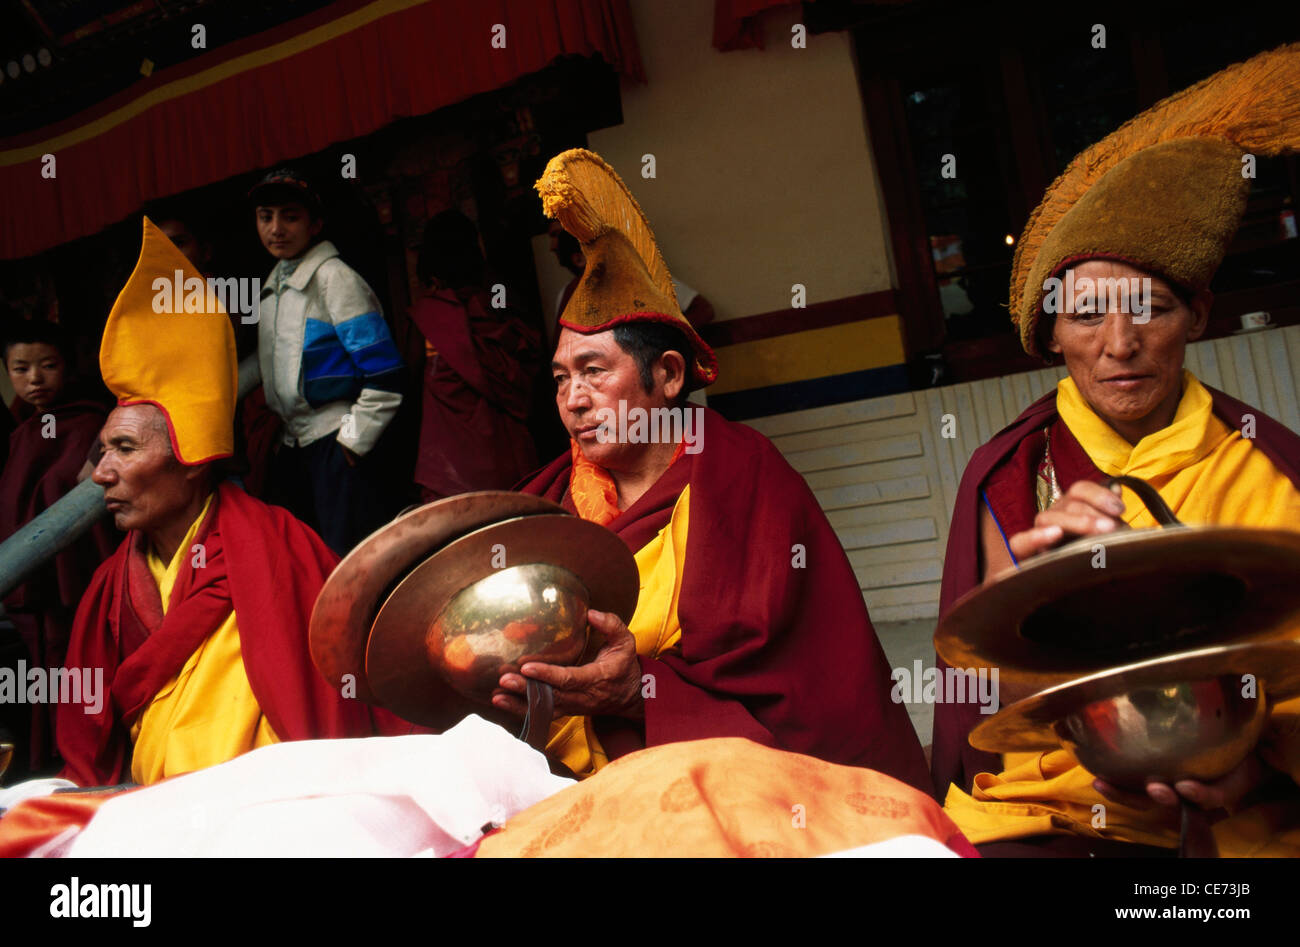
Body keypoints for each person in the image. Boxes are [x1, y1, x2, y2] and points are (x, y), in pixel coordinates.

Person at [931, 44, 1300, 856]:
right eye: (1089, 315)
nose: (1121, 344)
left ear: (1197, 316)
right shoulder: (1015, 472)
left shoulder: (1269, 465)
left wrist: (1253, 767)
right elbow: (993, 690)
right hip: (1064, 799)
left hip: (1254, 797)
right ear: (1050, 333)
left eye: (1152, 309)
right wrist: (1042, 596)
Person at [495, 149, 929, 792]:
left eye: (593, 371)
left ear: (668, 375)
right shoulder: (548, 499)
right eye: (560, 379)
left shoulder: (744, 477)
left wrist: (640, 693)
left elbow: (803, 681)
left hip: (741, 778)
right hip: (575, 784)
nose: (573, 400)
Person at [56, 218, 406, 788]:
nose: (102, 474)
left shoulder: (280, 547)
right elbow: (85, 746)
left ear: (190, 457)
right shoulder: (109, 591)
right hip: (153, 819)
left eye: (123, 449)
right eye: (103, 451)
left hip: (275, 812)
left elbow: (336, 703)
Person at [246, 168, 405, 553]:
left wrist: (351, 442)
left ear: (315, 223)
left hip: (334, 439)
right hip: (294, 447)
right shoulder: (271, 290)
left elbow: (384, 372)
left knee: (348, 556)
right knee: (305, 557)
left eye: (291, 216)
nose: (276, 228)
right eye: (266, 217)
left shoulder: (335, 278)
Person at [0, 321, 115, 772]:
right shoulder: (23, 429)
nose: (34, 379)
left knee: (76, 667)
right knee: (40, 674)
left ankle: (82, 759)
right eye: (20, 368)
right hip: (35, 586)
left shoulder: (85, 422)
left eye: (47, 366)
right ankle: (50, 759)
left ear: (67, 367)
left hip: (70, 578)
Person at [408, 210, 540, 500]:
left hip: (449, 467)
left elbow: (410, 380)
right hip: (511, 456)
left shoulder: (429, 316)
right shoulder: (500, 305)